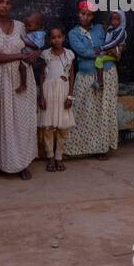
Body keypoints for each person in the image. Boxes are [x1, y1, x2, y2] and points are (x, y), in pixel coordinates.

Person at [0, 0, 39, 179]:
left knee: (22, 120)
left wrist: (34, 55)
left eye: (8, 2)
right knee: (0, 119)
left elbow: (35, 47)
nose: (4, 5)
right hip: (1, 79)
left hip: (22, 77)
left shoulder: (21, 26)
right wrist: (20, 56)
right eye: (0, 2)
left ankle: (22, 163)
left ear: (11, 6)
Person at [64, 1, 119, 159]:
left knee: (104, 110)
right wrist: (102, 50)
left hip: (107, 72)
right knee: (83, 111)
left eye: (89, 14)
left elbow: (111, 42)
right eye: (83, 14)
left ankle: (102, 148)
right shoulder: (73, 33)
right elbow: (82, 51)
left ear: (93, 16)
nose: (85, 17)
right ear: (78, 14)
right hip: (86, 75)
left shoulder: (100, 28)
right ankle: (77, 148)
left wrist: (105, 49)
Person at [38, 25, 76, 171]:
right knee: (48, 127)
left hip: (63, 93)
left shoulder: (69, 54)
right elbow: (41, 75)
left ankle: (59, 156)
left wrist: (70, 96)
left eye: (59, 37)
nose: (56, 40)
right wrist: (41, 96)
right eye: (53, 37)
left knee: (62, 127)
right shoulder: (45, 54)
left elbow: (71, 75)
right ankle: (50, 157)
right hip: (49, 93)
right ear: (49, 40)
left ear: (63, 38)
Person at [94, 10, 127, 91]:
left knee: (99, 59)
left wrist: (101, 48)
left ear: (122, 20)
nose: (114, 22)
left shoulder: (122, 31)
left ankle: (100, 81)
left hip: (115, 52)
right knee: (98, 59)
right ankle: (100, 80)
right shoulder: (111, 29)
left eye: (117, 19)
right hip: (108, 51)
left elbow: (114, 42)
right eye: (113, 19)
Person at [17, 10, 46, 95]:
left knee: (22, 67)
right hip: (26, 53)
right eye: (26, 25)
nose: (27, 27)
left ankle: (23, 84)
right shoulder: (30, 31)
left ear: (38, 25)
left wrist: (24, 42)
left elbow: (36, 46)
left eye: (29, 25)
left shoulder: (39, 34)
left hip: (31, 55)